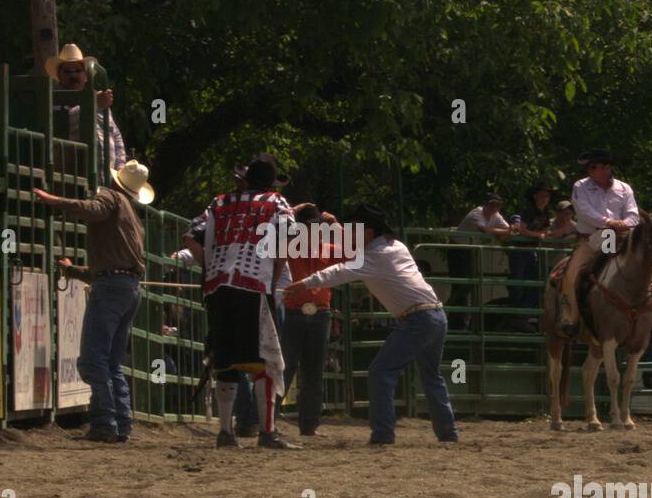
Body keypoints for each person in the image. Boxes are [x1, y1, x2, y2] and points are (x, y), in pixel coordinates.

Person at [286, 203, 459, 445]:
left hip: (417, 319)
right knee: (431, 376)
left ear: (367, 232)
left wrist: (304, 283)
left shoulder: (373, 257)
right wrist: (335, 226)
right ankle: (448, 433)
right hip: (436, 315)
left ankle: (383, 434)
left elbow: (339, 271)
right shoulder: (395, 247)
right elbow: (350, 254)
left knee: (381, 372)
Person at [184, 152, 300, 450]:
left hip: (219, 287)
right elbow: (284, 243)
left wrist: (210, 267)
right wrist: (273, 283)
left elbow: (190, 236)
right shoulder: (276, 203)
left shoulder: (219, 202)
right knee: (265, 357)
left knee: (226, 357)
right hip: (254, 285)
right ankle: (267, 432)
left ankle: (225, 431)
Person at [33, 160, 154, 443]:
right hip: (129, 288)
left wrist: (56, 201)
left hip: (111, 287)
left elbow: (93, 210)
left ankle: (105, 421)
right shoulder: (133, 220)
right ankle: (120, 422)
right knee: (112, 362)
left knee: (92, 360)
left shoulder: (110, 197)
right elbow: (114, 270)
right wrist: (73, 270)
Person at [559, 149, 652, 339]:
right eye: (593, 167)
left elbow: (633, 213)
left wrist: (624, 223)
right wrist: (608, 222)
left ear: (606, 167)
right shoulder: (580, 187)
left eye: (599, 166)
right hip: (593, 237)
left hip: (624, 237)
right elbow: (583, 211)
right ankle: (570, 318)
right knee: (572, 271)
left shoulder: (624, 188)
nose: (595, 170)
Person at [280, 204, 342, 436]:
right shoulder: (289, 245)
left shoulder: (326, 247)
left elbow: (355, 251)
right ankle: (272, 421)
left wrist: (334, 225)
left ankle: (309, 425)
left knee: (312, 371)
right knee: (287, 368)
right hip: (297, 311)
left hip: (316, 312)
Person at [48, 43, 127, 180]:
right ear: (59, 77)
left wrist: (120, 170)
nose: (73, 76)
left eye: (78, 71)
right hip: (75, 179)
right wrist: (93, 105)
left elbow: (116, 137)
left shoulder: (98, 100)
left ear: (86, 75)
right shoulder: (54, 103)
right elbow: (64, 123)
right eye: (67, 72)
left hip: (107, 177)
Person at [446, 192, 510, 330]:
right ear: (485, 204)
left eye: (497, 205)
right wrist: (503, 233)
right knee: (462, 285)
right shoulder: (477, 213)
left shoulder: (496, 216)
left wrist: (504, 232)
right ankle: (455, 319)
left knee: (468, 285)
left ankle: (457, 320)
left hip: (470, 250)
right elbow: (484, 230)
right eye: (492, 204)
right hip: (458, 249)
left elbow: (507, 229)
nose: (494, 208)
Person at [508, 185, 553, 332]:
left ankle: (521, 315)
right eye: (541, 196)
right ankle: (516, 315)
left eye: (546, 196)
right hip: (520, 250)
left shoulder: (545, 212)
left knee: (536, 282)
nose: (544, 199)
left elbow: (546, 229)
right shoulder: (529, 211)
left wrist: (542, 233)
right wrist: (538, 235)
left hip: (531, 250)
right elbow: (522, 230)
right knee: (518, 282)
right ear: (535, 196)